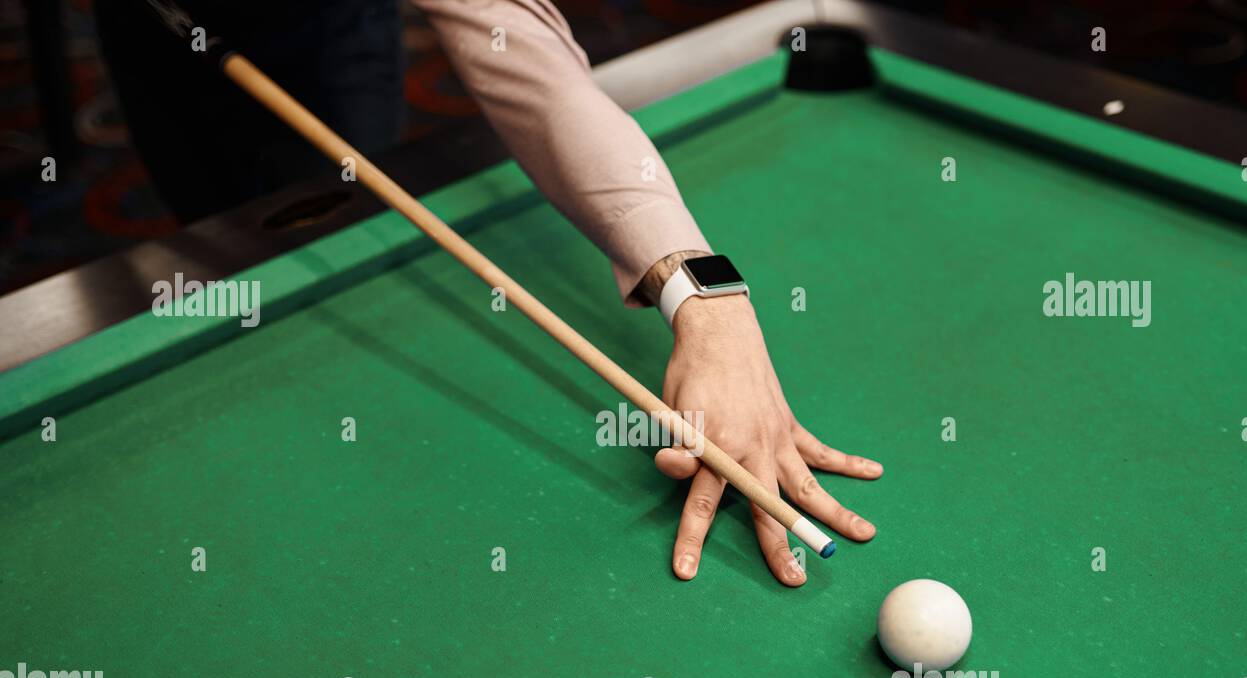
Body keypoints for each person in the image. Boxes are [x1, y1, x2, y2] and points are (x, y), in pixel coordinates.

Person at [97, 0, 882, 586]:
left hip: (318, 22)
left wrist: (702, 293)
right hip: (155, 24)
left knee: (328, 195)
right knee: (217, 224)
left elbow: (521, 53)